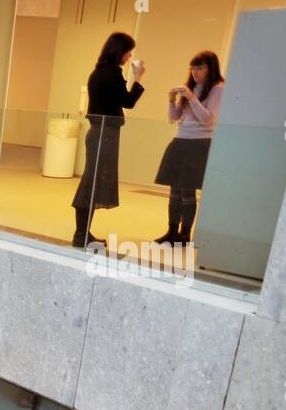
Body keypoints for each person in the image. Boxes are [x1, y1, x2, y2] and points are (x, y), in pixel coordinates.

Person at [72, 32, 146, 249]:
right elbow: (128, 101)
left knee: (92, 181)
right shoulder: (112, 74)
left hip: (99, 133)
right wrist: (138, 77)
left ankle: (83, 232)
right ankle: (81, 233)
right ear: (120, 51)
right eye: (129, 50)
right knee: (92, 183)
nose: (130, 55)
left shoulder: (98, 72)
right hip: (105, 135)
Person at [154, 51, 224, 246]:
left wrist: (192, 98)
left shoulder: (218, 89)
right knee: (174, 190)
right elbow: (173, 118)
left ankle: (185, 234)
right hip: (180, 140)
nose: (195, 72)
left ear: (211, 68)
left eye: (200, 68)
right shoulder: (190, 88)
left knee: (188, 190)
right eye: (192, 68)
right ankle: (171, 231)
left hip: (199, 143)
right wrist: (171, 100)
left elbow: (207, 119)